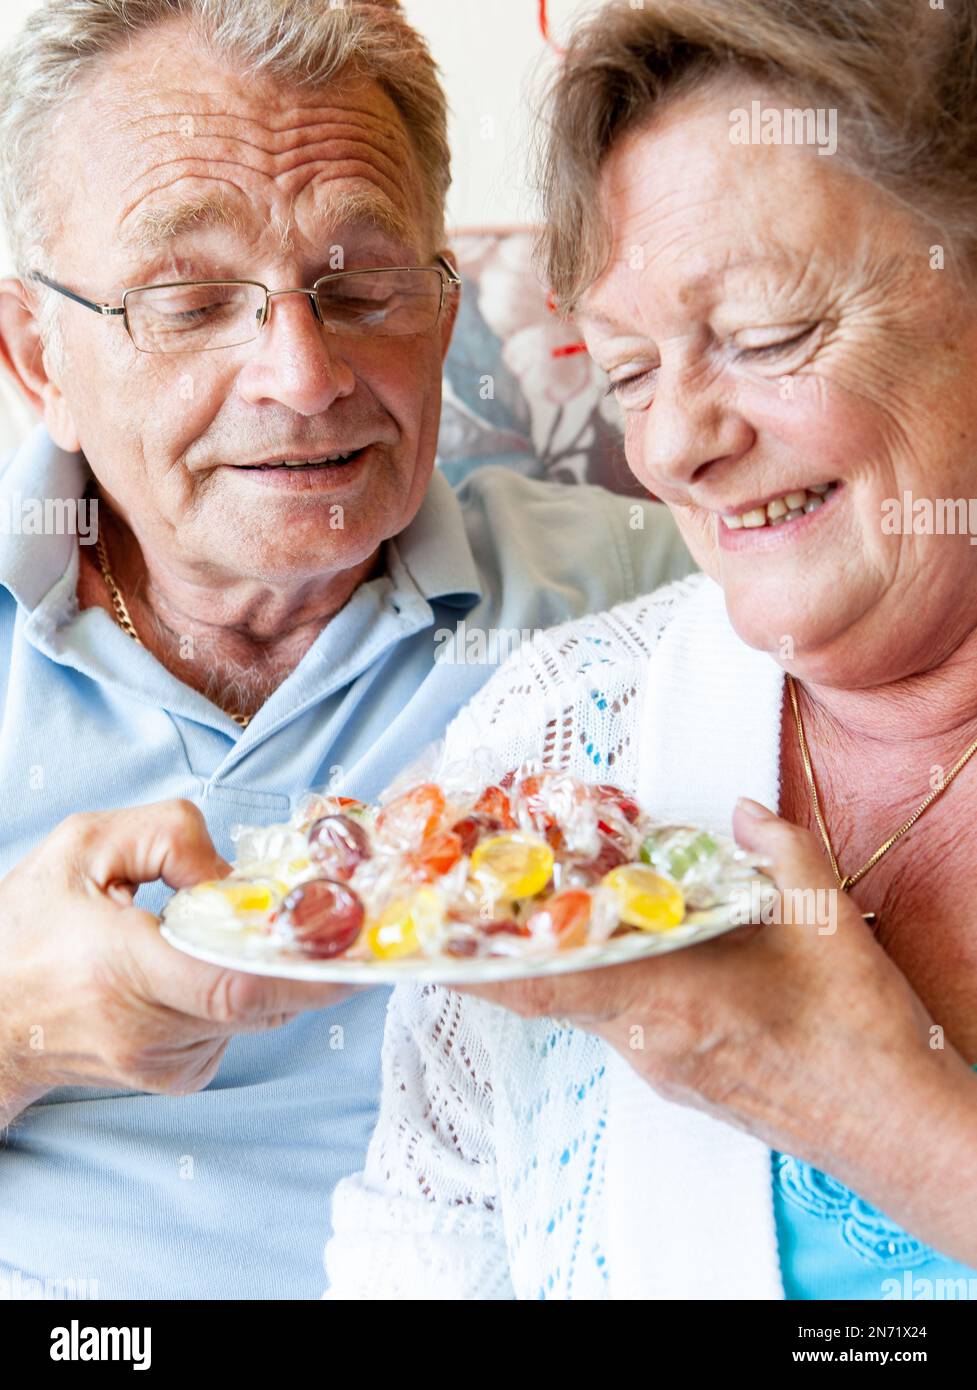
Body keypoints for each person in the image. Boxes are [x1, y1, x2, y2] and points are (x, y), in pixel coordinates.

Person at [0, 0, 692, 1299]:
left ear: (439, 305)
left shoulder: (638, 595)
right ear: (38, 356)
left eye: (360, 286)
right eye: (192, 300)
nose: (302, 373)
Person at [323, 0, 977, 1300]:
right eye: (626, 373)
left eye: (764, 334)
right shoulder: (555, 738)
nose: (670, 445)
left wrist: (884, 1119)